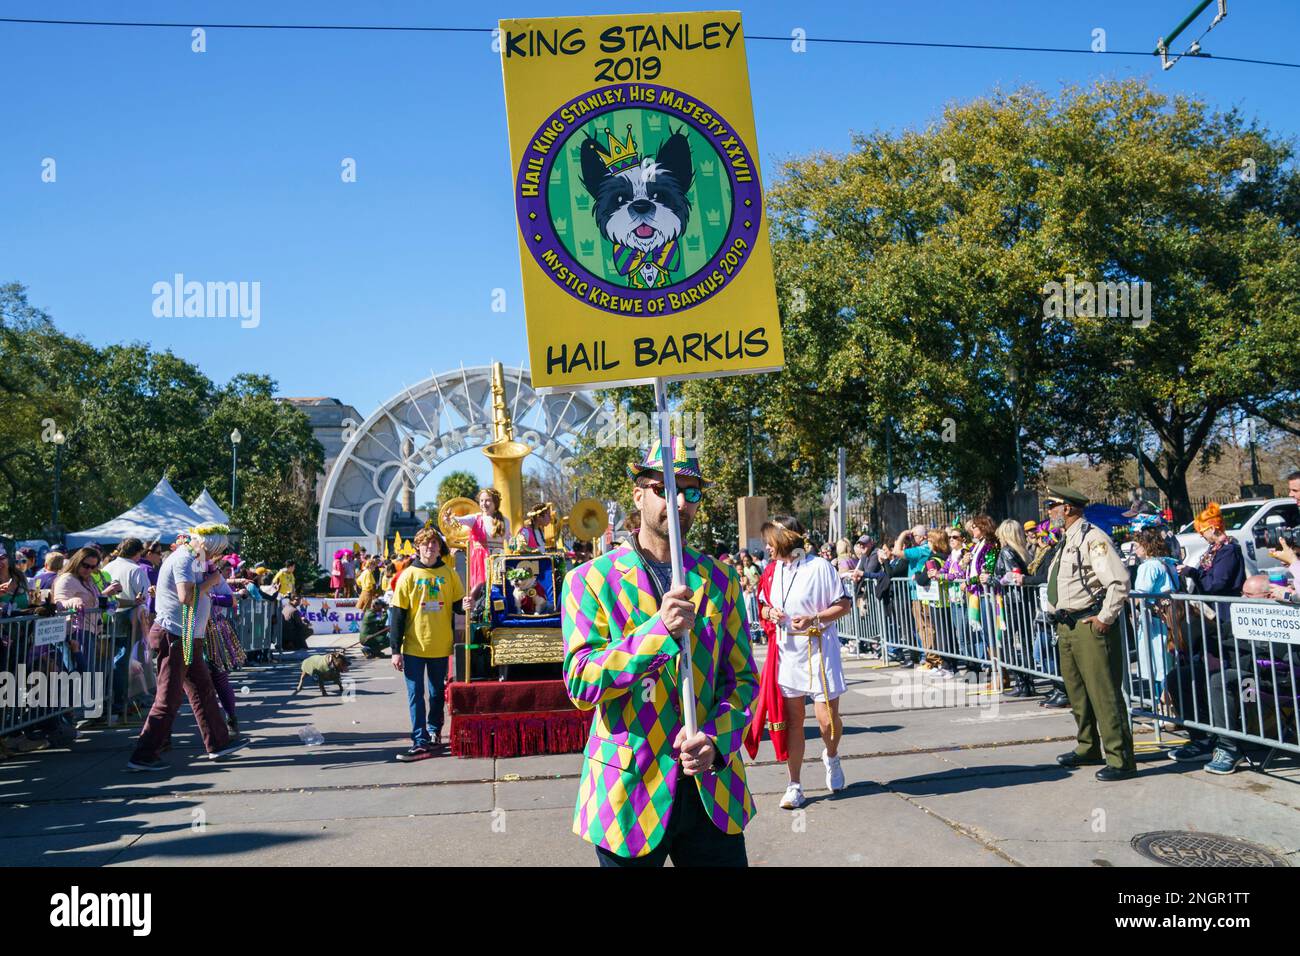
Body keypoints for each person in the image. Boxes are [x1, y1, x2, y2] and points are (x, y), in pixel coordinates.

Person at [561, 437, 756, 866]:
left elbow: (743, 681)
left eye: (691, 492)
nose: (679, 501)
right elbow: (580, 682)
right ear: (638, 495)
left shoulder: (721, 580)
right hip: (628, 795)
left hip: (711, 789)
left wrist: (718, 740)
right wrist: (658, 633)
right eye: (664, 487)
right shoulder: (591, 580)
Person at [126, 524, 247, 771]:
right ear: (205, 544)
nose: (216, 555)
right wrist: (211, 581)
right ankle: (144, 754)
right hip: (175, 636)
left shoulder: (195, 559)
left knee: (202, 690)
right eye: (216, 549)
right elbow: (186, 598)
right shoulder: (183, 559)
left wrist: (213, 577)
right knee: (168, 698)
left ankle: (218, 743)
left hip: (188, 636)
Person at [759, 515, 853, 810]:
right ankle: (794, 785)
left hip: (820, 648)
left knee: (827, 723)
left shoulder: (820, 567)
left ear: (785, 539)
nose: (767, 548)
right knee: (793, 722)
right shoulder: (772, 571)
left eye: (770, 542)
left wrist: (815, 618)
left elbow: (844, 604)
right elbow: (762, 606)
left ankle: (832, 755)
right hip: (789, 653)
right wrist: (769, 614)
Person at [1042, 487, 1135, 781]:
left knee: (1103, 693)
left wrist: (1105, 618)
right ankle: (1088, 747)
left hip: (1088, 625)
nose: (1047, 511)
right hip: (1066, 625)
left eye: (1051, 505)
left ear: (1067, 508)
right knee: (1078, 694)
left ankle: (1120, 759)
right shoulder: (1066, 540)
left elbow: (1118, 582)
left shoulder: (1093, 538)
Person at [388, 527, 465, 761]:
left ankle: (433, 730)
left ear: (439, 548)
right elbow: (397, 616)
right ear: (418, 547)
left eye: (433, 545)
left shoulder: (449, 573)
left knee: (435, 694)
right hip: (413, 647)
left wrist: (469, 604)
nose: (429, 548)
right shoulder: (408, 575)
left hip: (441, 645)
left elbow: (458, 606)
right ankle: (419, 739)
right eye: (425, 544)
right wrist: (394, 651)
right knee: (415, 694)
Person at [443, 488, 511, 603]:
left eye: (488, 500)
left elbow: (510, 540)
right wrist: (449, 518)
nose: (484, 504)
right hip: (480, 560)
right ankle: (475, 610)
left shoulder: (505, 521)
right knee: (481, 586)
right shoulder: (475, 518)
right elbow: (457, 521)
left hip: (498, 559)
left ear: (495, 502)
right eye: (482, 500)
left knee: (497, 586)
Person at [994, 519, 1036, 698]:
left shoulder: (1007, 551)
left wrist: (993, 580)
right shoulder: (1024, 551)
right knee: (1025, 642)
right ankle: (1028, 682)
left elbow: (1013, 575)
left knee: (1009, 641)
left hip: (1013, 602)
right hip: (1024, 602)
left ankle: (1021, 681)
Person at [1177, 503, 1245, 598]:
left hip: (1224, 606)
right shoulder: (1215, 548)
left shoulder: (1228, 550)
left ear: (1212, 529)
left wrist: (1191, 572)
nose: (1201, 535)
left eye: (1202, 531)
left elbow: (1216, 584)